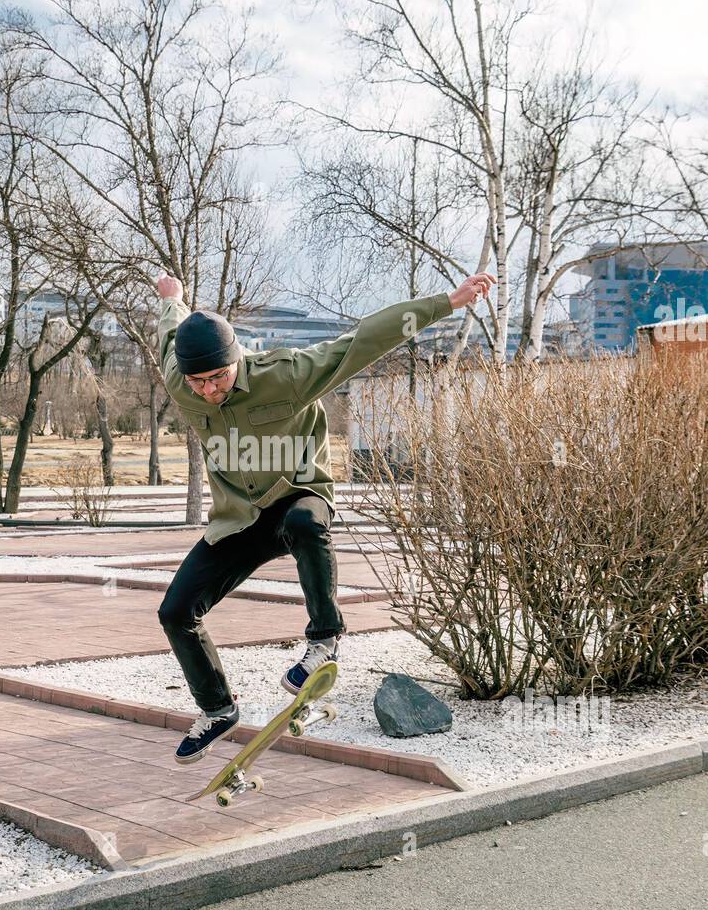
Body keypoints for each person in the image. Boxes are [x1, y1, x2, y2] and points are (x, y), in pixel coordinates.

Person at [155, 269, 495, 763]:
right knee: (175, 612)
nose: (209, 391)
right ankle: (217, 708)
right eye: (198, 382)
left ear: (237, 360)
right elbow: (171, 332)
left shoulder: (288, 373)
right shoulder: (181, 381)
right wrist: (174, 298)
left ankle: (324, 639)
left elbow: (363, 341)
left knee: (304, 524)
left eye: (219, 378)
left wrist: (446, 302)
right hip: (239, 518)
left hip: (298, 496)